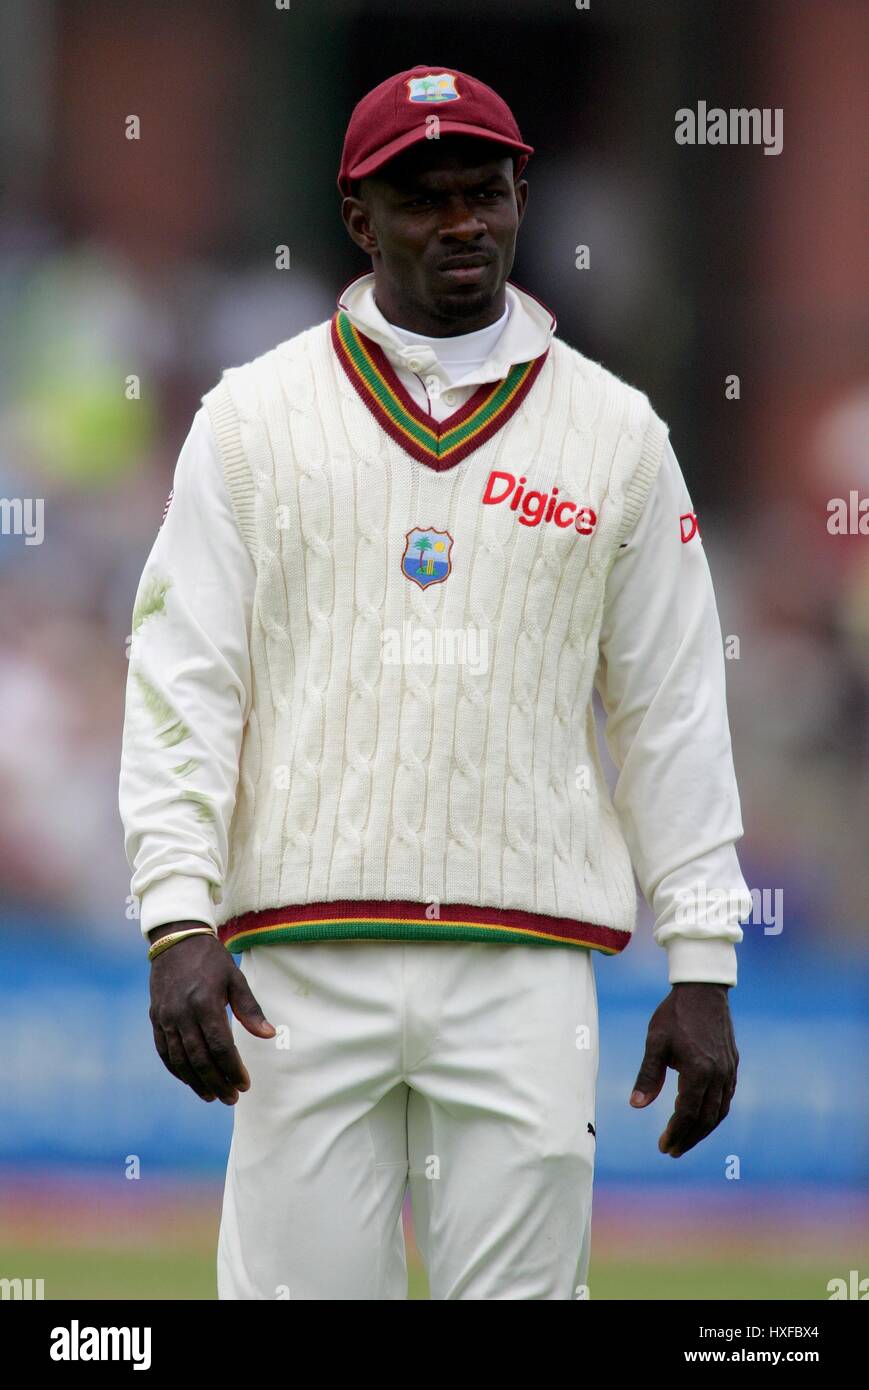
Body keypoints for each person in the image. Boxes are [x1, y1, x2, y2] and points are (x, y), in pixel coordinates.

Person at [119, 65, 751, 1300]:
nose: (461, 223)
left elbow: (671, 704)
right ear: (358, 216)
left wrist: (703, 961)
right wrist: (176, 916)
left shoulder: (614, 436)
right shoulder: (252, 420)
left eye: (486, 192)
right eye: (423, 200)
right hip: (297, 966)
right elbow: (182, 680)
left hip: (522, 969)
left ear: (521, 197)